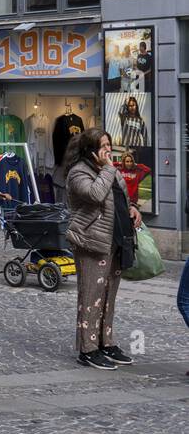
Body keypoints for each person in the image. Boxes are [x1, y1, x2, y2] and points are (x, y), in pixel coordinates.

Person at [61, 128, 141, 370]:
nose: (108, 149)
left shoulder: (110, 170)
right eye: (103, 145)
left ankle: (106, 343)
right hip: (91, 242)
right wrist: (108, 168)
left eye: (109, 144)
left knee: (108, 297)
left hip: (115, 240)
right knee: (91, 297)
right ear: (90, 150)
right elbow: (95, 195)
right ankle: (87, 349)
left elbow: (120, 198)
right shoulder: (78, 173)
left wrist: (133, 209)